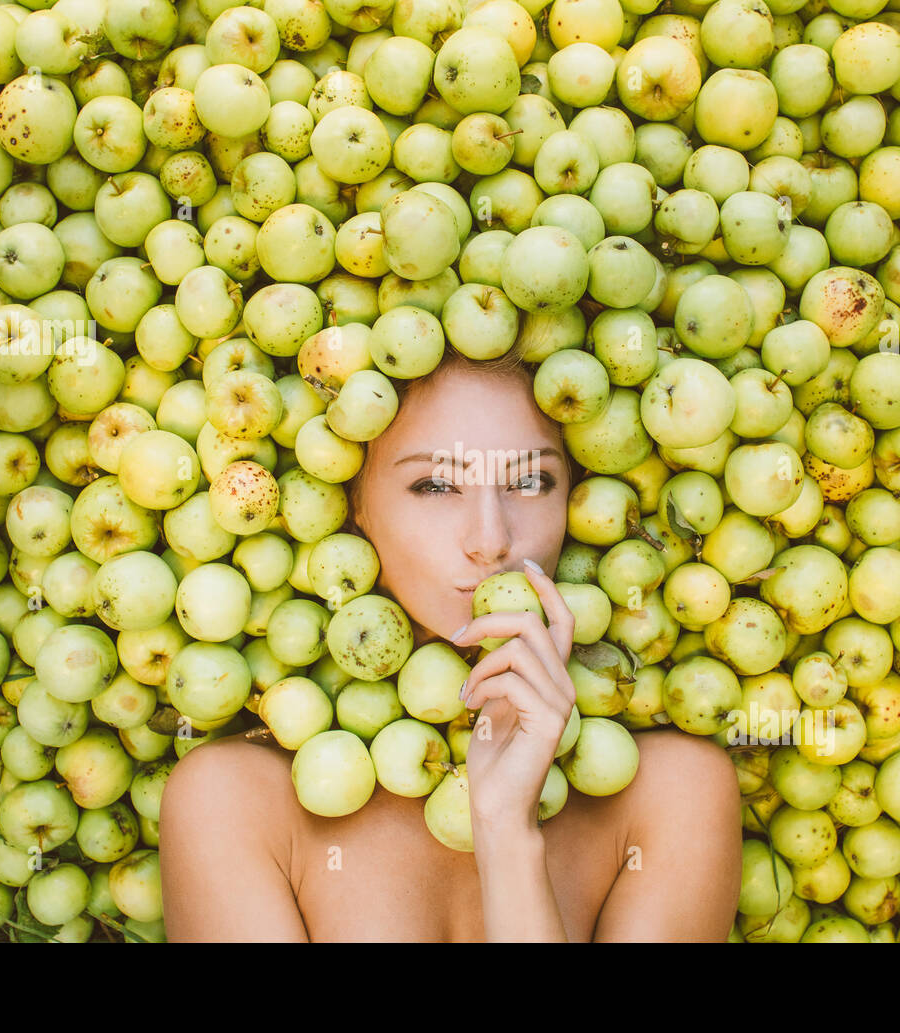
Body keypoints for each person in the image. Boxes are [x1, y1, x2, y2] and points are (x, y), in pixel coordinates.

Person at [159, 342, 742, 941]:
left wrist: (507, 834)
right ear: (353, 507)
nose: (490, 539)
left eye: (532, 481)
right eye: (436, 485)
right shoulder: (232, 804)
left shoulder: (674, 796)